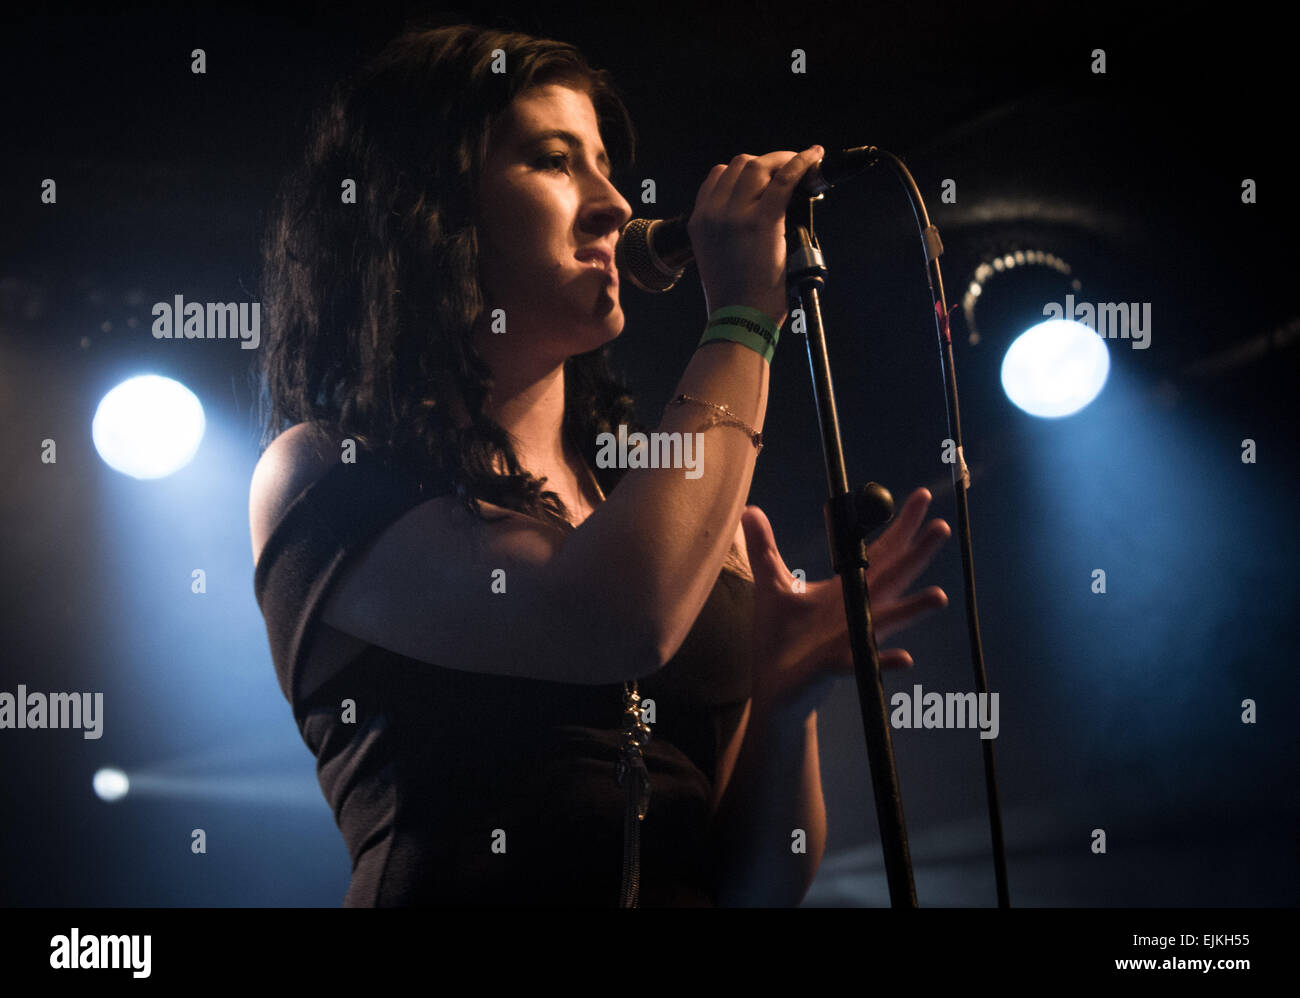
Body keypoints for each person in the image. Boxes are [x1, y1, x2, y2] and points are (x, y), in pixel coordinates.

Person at [249, 22, 950, 907]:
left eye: (605, 163)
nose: (616, 204)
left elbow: (754, 888)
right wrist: (743, 322)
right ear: (429, 207)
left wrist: (782, 702)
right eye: (554, 160)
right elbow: (615, 616)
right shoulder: (323, 475)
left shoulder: (653, 500)